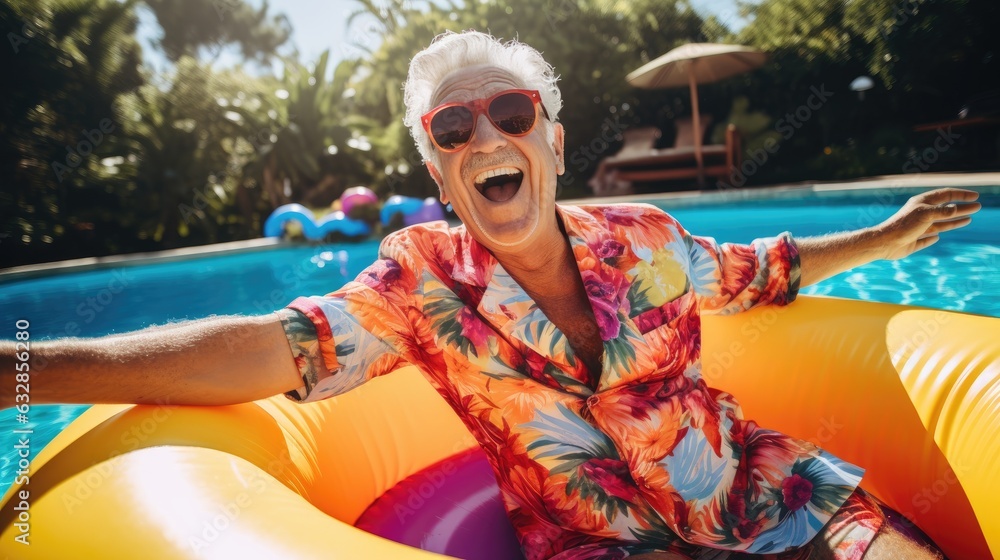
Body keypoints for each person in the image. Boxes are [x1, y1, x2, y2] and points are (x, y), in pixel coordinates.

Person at [1, 30, 981, 560]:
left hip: (766, 493)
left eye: (509, 114)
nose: (484, 138)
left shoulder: (646, 241)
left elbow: (767, 268)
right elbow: (263, 350)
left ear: (552, 142)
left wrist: (885, 237)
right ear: (439, 169)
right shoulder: (421, 281)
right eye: (454, 128)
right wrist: (26, 366)